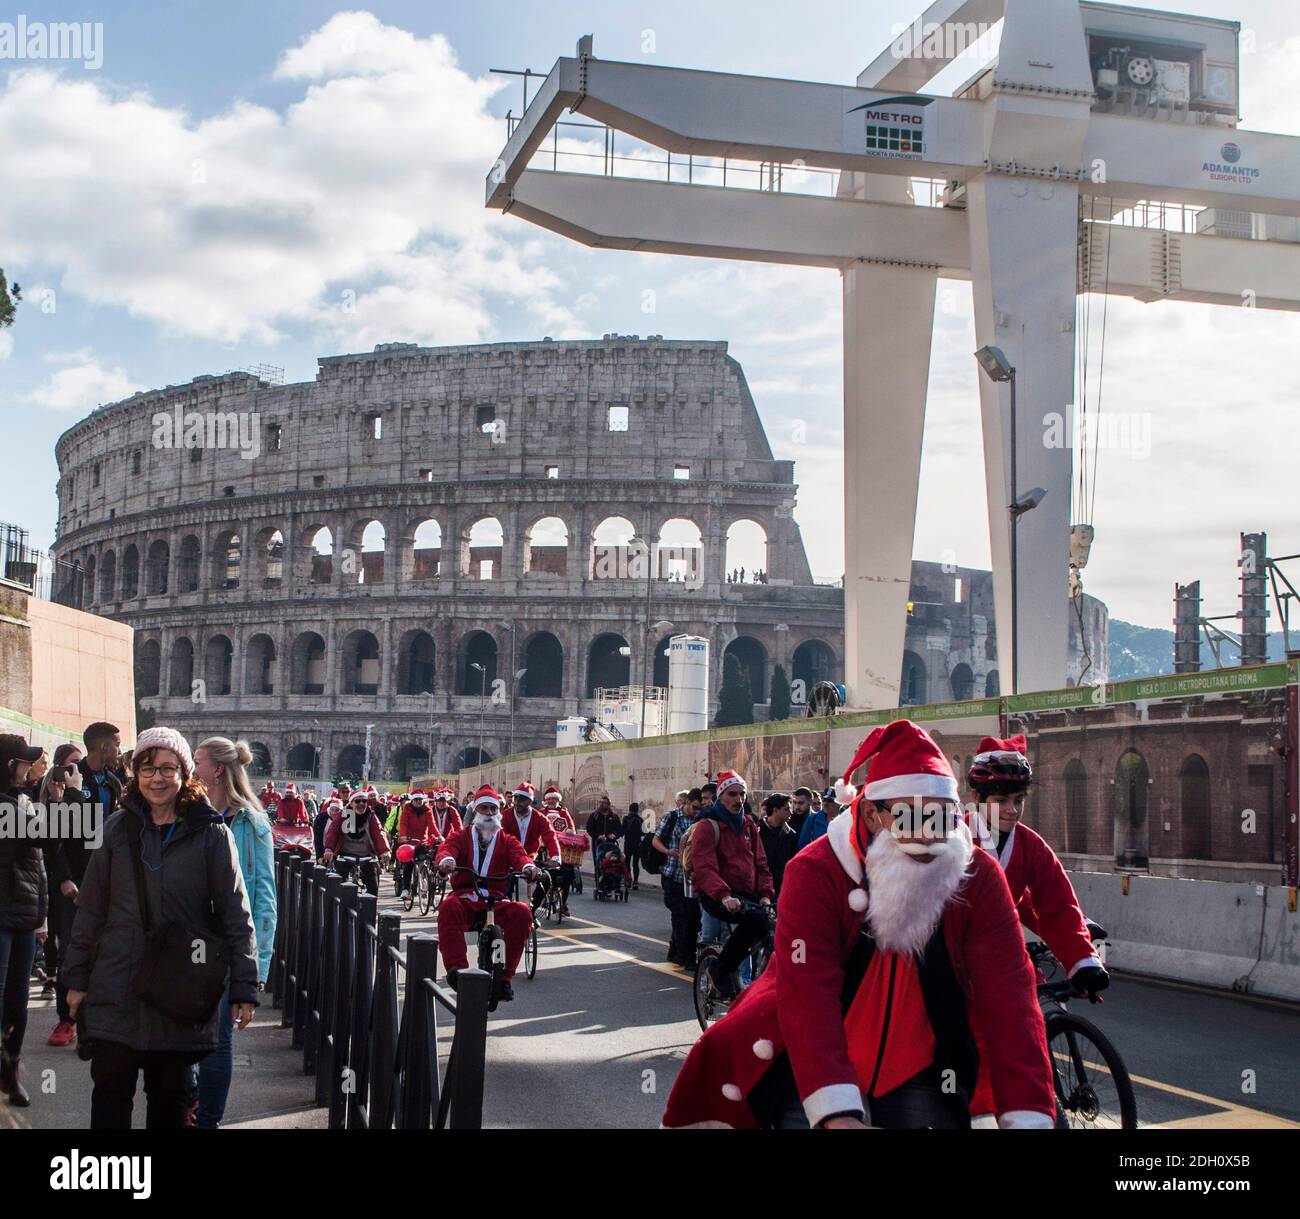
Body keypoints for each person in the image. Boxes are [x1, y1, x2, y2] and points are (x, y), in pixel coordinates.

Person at [662, 719, 1056, 1130]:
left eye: (944, 819)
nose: (930, 837)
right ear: (871, 813)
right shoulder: (816, 871)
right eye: (910, 818)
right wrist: (836, 1111)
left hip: (923, 1070)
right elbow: (809, 992)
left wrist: (1028, 1115)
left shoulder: (977, 877)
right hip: (816, 1057)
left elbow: (1010, 997)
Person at [62, 727, 259, 1130]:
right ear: (135, 774)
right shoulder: (117, 830)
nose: (157, 778)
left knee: (170, 1104)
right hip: (117, 984)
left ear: (185, 774)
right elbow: (91, 911)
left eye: (168, 768)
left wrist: (244, 985)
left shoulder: (211, 833)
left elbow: (235, 914)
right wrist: (76, 978)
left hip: (179, 992)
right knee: (111, 1100)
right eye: (148, 768)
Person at [964, 734, 1108, 1122]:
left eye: (1019, 801)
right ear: (977, 799)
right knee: (971, 1044)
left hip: (1003, 959)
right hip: (955, 959)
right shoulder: (954, 837)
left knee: (1022, 1045)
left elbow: (1055, 904)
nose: (1013, 810)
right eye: (1002, 801)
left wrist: (1082, 958)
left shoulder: (1031, 846)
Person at [192, 736, 277, 1129]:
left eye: (197, 762)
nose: (191, 769)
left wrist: (257, 968)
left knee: (217, 1039)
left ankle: (207, 1122)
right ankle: (189, 1103)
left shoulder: (253, 823)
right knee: (179, 1036)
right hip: (185, 945)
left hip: (227, 948)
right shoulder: (188, 814)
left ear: (217, 770)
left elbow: (264, 897)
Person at [434, 786, 541, 1001]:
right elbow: (447, 849)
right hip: (465, 896)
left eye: (493, 809)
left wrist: (529, 867)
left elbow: (520, 856)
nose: (490, 814)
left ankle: (504, 977)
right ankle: (457, 970)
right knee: (448, 908)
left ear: (499, 812)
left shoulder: (507, 840)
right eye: (484, 808)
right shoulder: (461, 836)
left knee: (522, 912)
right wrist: (447, 861)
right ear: (476, 811)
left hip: (496, 899)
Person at [689, 771, 774, 1000]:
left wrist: (766, 894)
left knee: (772, 927)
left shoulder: (748, 825)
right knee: (754, 921)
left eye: (742, 794)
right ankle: (720, 970)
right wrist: (724, 895)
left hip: (746, 894)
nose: (738, 799)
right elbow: (704, 867)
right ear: (720, 796)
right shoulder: (708, 826)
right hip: (716, 894)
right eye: (732, 794)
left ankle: (761, 979)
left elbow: (761, 864)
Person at [0, 734, 49, 1106]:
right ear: (8, 766)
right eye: (23, 761)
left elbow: (41, 860)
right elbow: (41, 839)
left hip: (23, 915)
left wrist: (40, 916)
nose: (28, 767)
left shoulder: (23, 802)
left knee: (17, 999)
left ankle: (10, 1070)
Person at [40, 743, 89, 1046]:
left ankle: (88, 1022)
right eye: (70, 766)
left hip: (93, 880)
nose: (75, 772)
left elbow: (89, 829)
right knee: (68, 950)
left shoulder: (97, 787)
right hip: (65, 883)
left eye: (79, 766)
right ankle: (66, 1019)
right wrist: (64, 878)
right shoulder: (47, 795)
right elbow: (52, 840)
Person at [652, 789, 702, 969]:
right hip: (672, 874)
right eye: (694, 807)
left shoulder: (699, 821)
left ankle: (675, 951)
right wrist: (668, 852)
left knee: (688, 918)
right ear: (686, 803)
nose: (696, 811)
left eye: (699, 808)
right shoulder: (672, 817)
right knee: (679, 914)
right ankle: (681, 954)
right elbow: (655, 840)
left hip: (689, 879)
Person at [501, 783, 560, 914]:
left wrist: (555, 857)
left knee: (548, 879)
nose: (517, 802)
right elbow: (499, 837)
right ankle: (504, 911)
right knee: (504, 885)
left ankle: (531, 912)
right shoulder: (505, 816)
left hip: (530, 859)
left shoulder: (540, 818)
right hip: (508, 859)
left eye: (521, 799)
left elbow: (550, 836)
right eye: (515, 799)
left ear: (530, 801)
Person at [323, 791, 389, 896]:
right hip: (345, 855)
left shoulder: (371, 816)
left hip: (366, 856)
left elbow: (379, 833)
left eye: (364, 801)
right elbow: (333, 832)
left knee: (373, 887)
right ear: (351, 803)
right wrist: (328, 849)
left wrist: (384, 851)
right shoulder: (344, 815)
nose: (361, 804)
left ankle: (369, 909)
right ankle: (340, 909)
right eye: (357, 801)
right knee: (339, 886)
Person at [397, 791, 441, 899]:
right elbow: (403, 824)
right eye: (416, 800)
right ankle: (406, 889)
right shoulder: (407, 809)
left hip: (422, 841)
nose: (418, 802)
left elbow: (432, 826)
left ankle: (426, 880)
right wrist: (403, 836)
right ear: (412, 801)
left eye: (420, 800)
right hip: (409, 841)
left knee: (424, 861)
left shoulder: (428, 810)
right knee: (409, 864)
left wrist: (439, 836)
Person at [77, 721, 122, 824]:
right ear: (104, 746)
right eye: (117, 745)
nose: (120, 752)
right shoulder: (71, 777)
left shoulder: (113, 782)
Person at [758, 792, 799, 901]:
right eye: (786, 809)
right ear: (775, 810)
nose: (790, 812)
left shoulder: (790, 835)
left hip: (782, 890)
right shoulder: (757, 831)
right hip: (759, 891)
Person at [584, 793, 622, 883]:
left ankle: (609, 881)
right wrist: (597, 836)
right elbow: (589, 828)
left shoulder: (614, 817)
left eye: (604, 803)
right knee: (598, 862)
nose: (601, 804)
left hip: (610, 843)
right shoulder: (594, 815)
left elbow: (620, 829)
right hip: (598, 843)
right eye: (600, 802)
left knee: (610, 862)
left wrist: (614, 835)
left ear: (608, 805)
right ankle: (599, 881)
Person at [622, 802, 645, 890]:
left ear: (629, 809)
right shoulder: (640, 819)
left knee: (627, 862)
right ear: (637, 810)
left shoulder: (626, 818)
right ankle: (635, 882)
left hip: (628, 844)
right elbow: (644, 832)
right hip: (637, 844)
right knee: (635, 864)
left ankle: (628, 880)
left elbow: (623, 830)